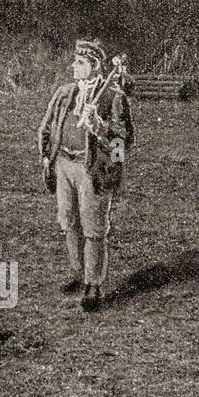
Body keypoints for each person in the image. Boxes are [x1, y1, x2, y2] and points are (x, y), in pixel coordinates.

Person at [37, 39, 135, 311]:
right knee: (68, 222)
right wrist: (48, 156)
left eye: (79, 62)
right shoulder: (64, 93)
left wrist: (100, 128)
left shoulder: (113, 97)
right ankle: (78, 274)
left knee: (93, 229)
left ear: (94, 66)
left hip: (92, 169)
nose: (73, 66)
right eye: (74, 61)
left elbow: (122, 144)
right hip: (63, 164)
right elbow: (46, 127)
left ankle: (94, 284)